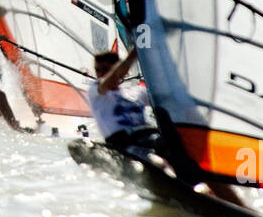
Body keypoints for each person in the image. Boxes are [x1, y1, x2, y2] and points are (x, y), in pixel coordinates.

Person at [89, 47, 249, 208]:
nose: (101, 74)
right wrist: (136, 51)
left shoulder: (137, 92)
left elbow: (171, 97)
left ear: (121, 70)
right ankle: (193, 195)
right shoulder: (96, 91)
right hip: (126, 144)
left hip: (153, 138)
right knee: (158, 164)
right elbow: (110, 80)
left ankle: (244, 208)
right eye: (98, 70)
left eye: (106, 69)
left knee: (199, 165)